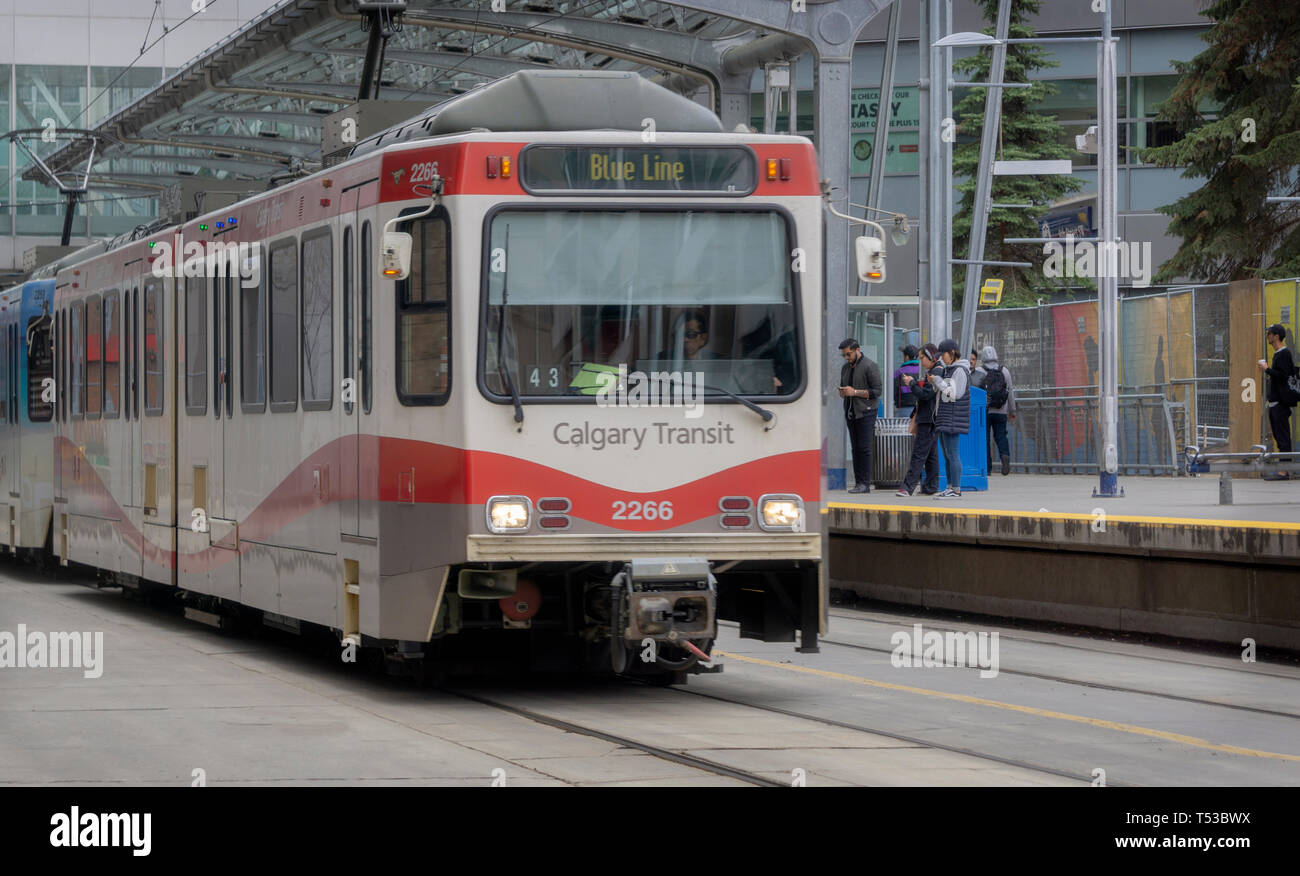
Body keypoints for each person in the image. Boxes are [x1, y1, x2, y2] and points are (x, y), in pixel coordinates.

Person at [896, 343, 942, 496]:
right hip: (931, 418)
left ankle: (907, 487)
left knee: (919, 453)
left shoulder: (936, 372)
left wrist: (912, 384)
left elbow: (926, 394)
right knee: (930, 454)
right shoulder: (934, 371)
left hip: (928, 418)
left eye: (923, 357)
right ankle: (931, 486)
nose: (921, 361)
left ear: (931, 357)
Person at [838, 338, 883, 493]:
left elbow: (877, 391)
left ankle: (864, 483)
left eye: (848, 354)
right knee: (856, 448)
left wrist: (855, 392)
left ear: (857, 350)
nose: (846, 358)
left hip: (866, 411)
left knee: (864, 447)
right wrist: (844, 392)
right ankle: (859, 482)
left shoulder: (870, 366)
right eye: (844, 355)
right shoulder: (845, 368)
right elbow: (846, 387)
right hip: (851, 411)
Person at [933, 338, 971, 498]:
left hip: (954, 417)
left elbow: (955, 394)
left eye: (944, 355)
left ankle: (956, 489)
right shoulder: (950, 369)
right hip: (946, 416)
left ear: (952, 353)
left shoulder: (960, 370)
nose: (942, 358)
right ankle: (950, 487)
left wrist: (938, 381)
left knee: (953, 453)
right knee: (947, 454)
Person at [1259, 323, 1297, 481]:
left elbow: (1284, 375)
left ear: (1276, 336)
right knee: (1279, 437)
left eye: (1270, 333)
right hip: (1275, 404)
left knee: (1283, 437)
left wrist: (1267, 369)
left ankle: (1284, 471)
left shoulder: (1284, 353)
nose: (1268, 336)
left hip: (1281, 404)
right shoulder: (1278, 354)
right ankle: (1283, 469)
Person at [972, 344, 1016, 475]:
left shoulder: (980, 371)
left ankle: (987, 468)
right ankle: (1005, 456)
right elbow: (1010, 392)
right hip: (1001, 410)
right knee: (1001, 436)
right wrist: (1012, 410)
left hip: (984, 411)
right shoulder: (1004, 371)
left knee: (984, 439)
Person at [893, 345, 921, 414]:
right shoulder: (922, 371)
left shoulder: (899, 372)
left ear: (907, 357)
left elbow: (894, 391)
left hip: (904, 408)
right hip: (921, 407)